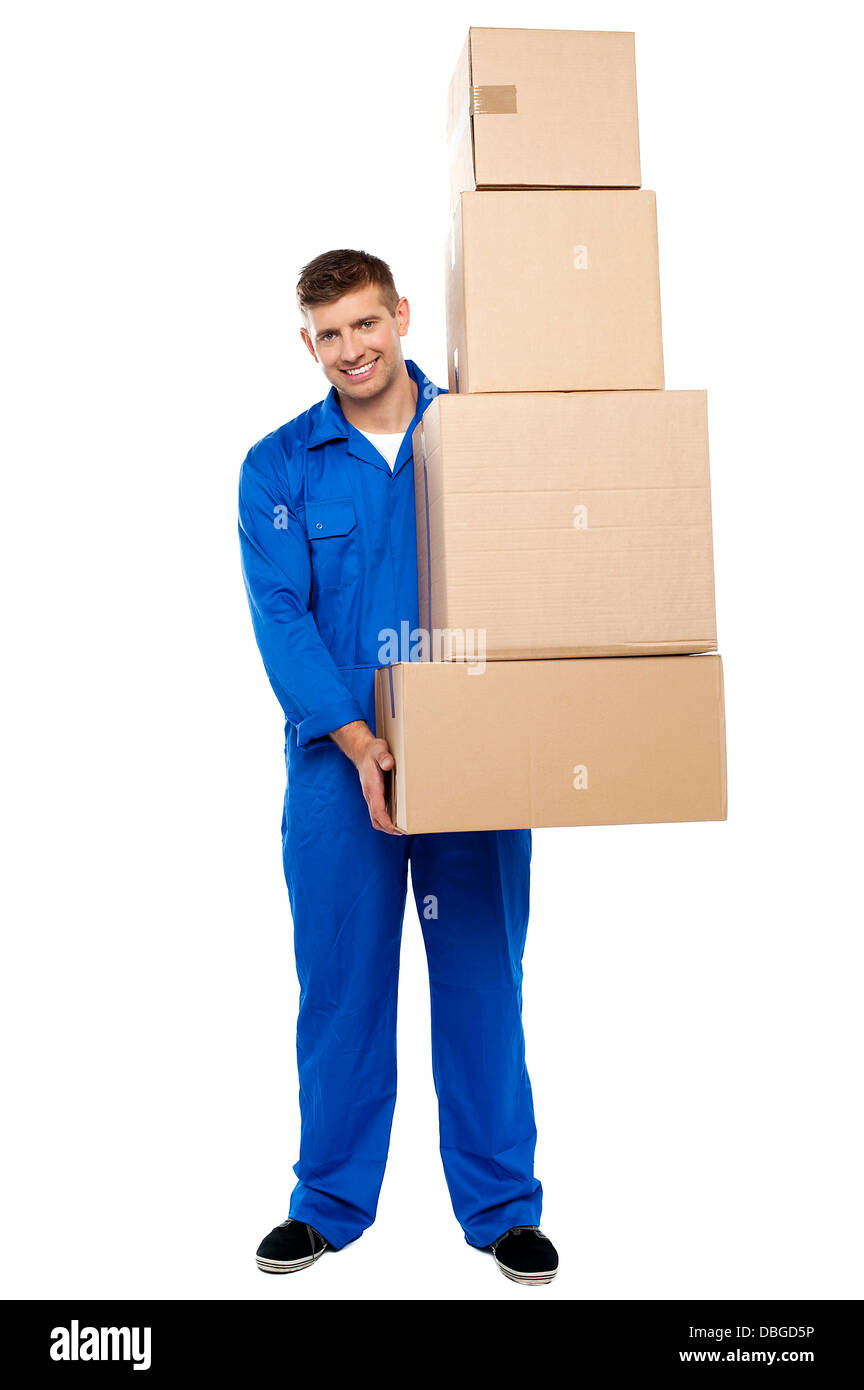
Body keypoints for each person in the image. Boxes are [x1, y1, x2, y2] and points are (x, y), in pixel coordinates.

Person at [237, 248, 558, 1286]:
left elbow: (533, 569)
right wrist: (359, 740)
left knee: (480, 983)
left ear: (403, 314)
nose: (351, 350)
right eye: (328, 334)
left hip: (472, 757)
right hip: (338, 774)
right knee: (339, 986)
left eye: (365, 324)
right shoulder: (279, 466)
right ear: (306, 343)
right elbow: (281, 616)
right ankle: (327, 1204)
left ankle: (504, 1209)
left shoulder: (474, 437)